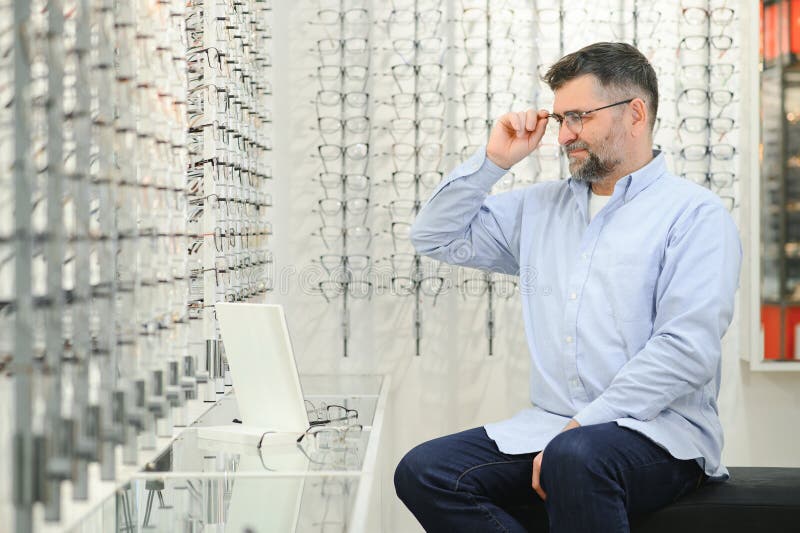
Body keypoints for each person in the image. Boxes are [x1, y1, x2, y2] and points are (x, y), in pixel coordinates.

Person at [393, 42, 742, 532]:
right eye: (560, 120)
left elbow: (686, 348)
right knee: (424, 471)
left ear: (635, 113)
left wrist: (582, 426)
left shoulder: (694, 215)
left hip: (659, 434)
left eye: (578, 117)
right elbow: (435, 235)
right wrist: (494, 161)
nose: (564, 137)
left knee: (576, 457)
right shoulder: (539, 209)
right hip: (557, 429)